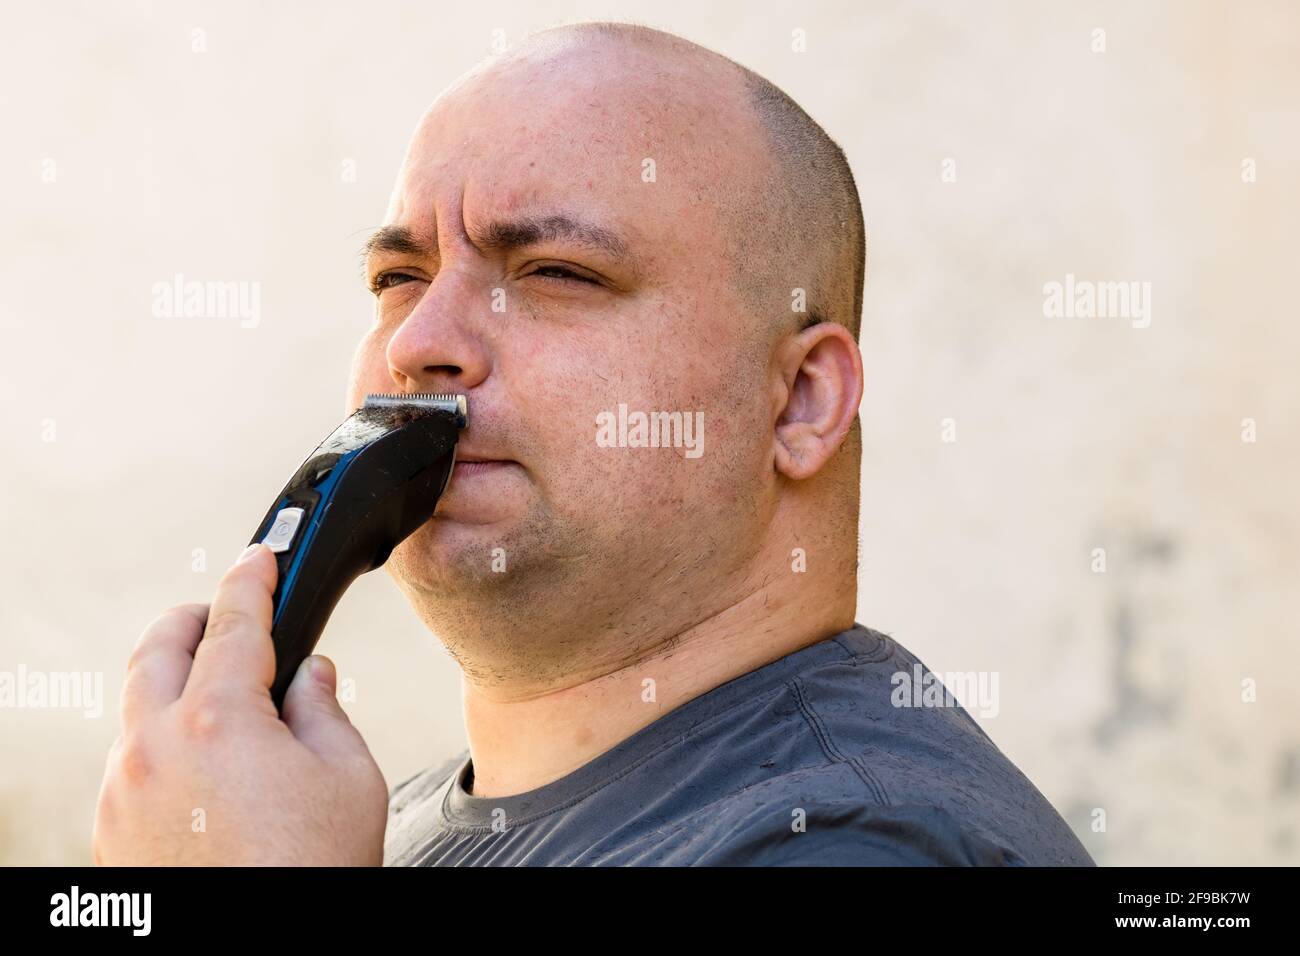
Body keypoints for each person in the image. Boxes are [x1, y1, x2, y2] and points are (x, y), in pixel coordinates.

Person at [93, 21, 1094, 866]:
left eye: (555, 272)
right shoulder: (365, 826)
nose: (421, 343)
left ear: (797, 402)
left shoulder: (852, 838)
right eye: (400, 277)